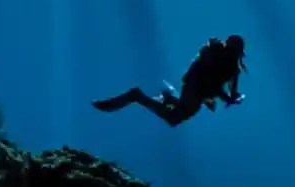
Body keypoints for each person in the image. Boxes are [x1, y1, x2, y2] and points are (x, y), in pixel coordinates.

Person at [92, 34, 247, 127]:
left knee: (179, 110)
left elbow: (228, 87)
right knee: (175, 117)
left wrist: (231, 97)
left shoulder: (224, 59)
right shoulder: (230, 64)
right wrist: (229, 97)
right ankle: (139, 96)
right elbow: (217, 85)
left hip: (192, 87)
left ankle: (164, 95)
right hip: (196, 90)